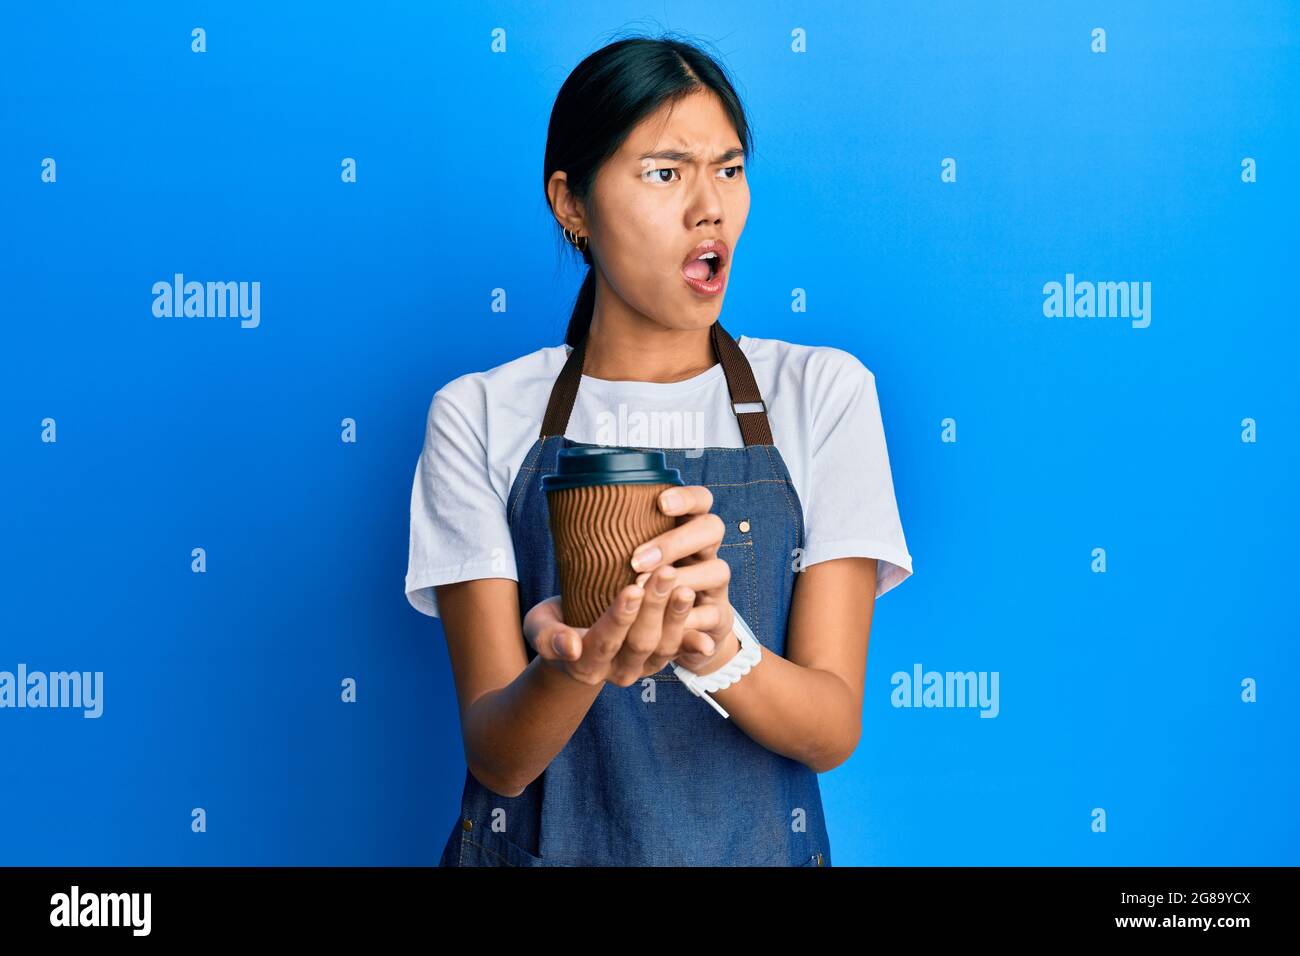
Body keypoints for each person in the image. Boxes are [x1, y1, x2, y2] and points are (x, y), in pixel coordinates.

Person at [405, 34, 913, 866]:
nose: (709, 205)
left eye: (730, 169)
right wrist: (576, 662)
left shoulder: (823, 395)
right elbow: (497, 756)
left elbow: (829, 729)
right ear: (571, 204)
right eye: (665, 172)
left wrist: (721, 645)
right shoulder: (480, 414)